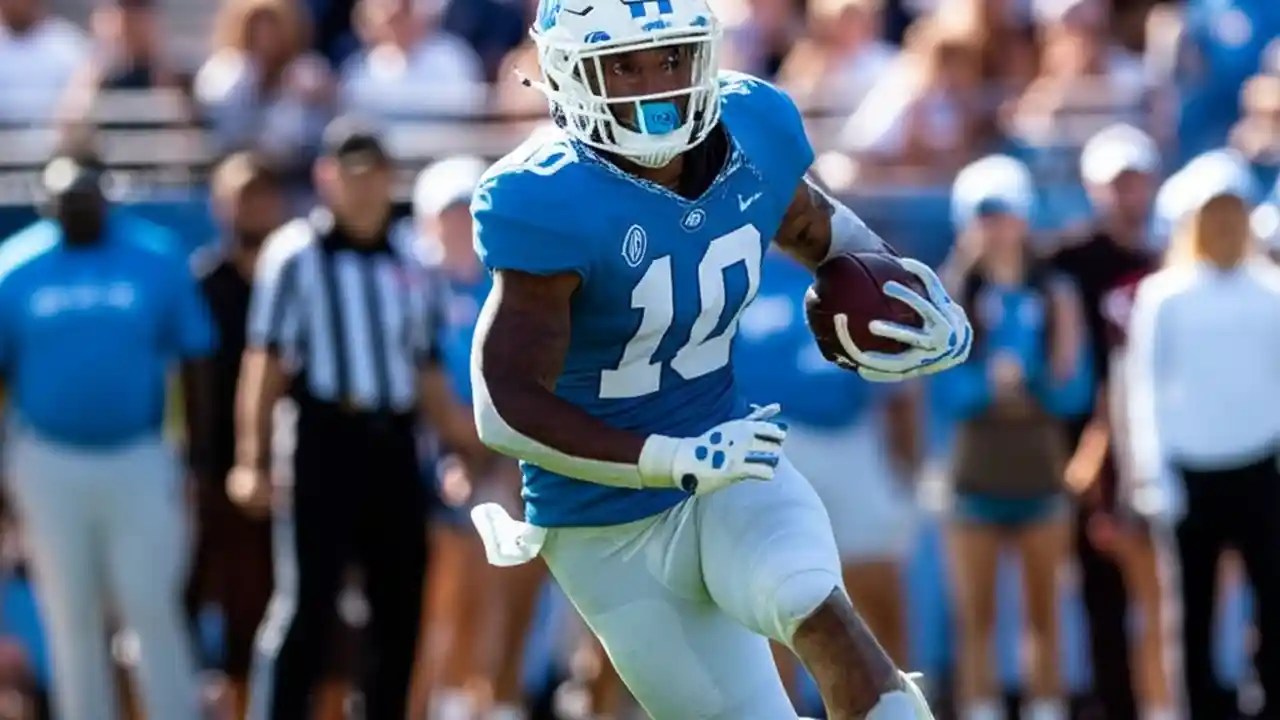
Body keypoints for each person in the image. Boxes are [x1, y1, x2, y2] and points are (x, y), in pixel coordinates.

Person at [465, 1, 974, 718]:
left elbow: (816, 227)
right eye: (625, 65)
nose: (656, 86)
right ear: (568, 76)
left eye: (671, 58)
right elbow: (503, 408)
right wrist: (666, 459)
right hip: (604, 523)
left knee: (822, 614)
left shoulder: (751, 127)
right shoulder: (544, 196)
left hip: (730, 461)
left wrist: (908, 295)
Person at [235, 118, 481, 720]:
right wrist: (252, 458)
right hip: (325, 435)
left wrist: (470, 441)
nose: (363, 188)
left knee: (398, 603)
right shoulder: (295, 255)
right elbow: (264, 364)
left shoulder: (411, 261)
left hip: (394, 442)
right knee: (307, 603)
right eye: (350, 175)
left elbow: (425, 372)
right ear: (326, 179)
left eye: (373, 175)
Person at [0, 150, 212, 720]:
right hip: (47, 459)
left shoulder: (155, 256)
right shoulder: (15, 267)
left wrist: (197, 457)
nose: (77, 209)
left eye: (86, 197)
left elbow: (193, 358)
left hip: (138, 456)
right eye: (65, 200)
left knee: (151, 604)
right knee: (70, 615)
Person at [935, 155, 1093, 720]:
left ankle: (1046, 707)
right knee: (974, 619)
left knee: (1044, 614)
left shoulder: (1057, 295)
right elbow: (944, 394)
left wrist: (1036, 381)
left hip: (1040, 474)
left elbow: (1075, 393)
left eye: (1007, 215)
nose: (997, 230)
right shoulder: (946, 297)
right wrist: (989, 387)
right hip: (972, 478)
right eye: (985, 216)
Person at [1127, 149, 1280, 720]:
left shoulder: (1272, 292)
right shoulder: (1163, 296)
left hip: (1262, 468)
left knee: (1271, 601)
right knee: (1192, 609)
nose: (1223, 225)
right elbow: (1143, 390)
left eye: (1232, 211)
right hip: (1191, 472)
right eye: (1212, 212)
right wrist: (1154, 473)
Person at [733, 244, 920, 704]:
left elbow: (900, 382)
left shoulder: (863, 273)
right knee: (773, 606)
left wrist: (908, 464)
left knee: (877, 594)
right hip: (765, 442)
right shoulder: (732, 265)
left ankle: (894, 713)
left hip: (853, 437)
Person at [409, 157, 547, 720]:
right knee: (442, 607)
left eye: (470, 213)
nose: (462, 227)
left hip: (509, 462)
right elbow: (425, 386)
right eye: (449, 215)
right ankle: (451, 701)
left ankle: (497, 698)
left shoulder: (517, 290)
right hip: (438, 466)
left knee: (512, 591)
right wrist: (469, 447)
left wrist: (497, 456)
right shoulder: (414, 290)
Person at [1050, 123, 1166, 720]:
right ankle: (1116, 702)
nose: (1128, 195)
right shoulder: (1065, 259)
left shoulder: (1171, 256)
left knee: (1169, 584)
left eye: (1136, 181)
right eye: (1116, 183)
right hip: (1087, 443)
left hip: (1159, 437)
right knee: (1100, 587)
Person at [188, 151, 287, 719]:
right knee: (205, 604)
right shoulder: (201, 282)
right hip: (212, 473)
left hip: (289, 470)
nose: (252, 207)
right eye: (240, 195)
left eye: (261, 193)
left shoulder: (296, 274)